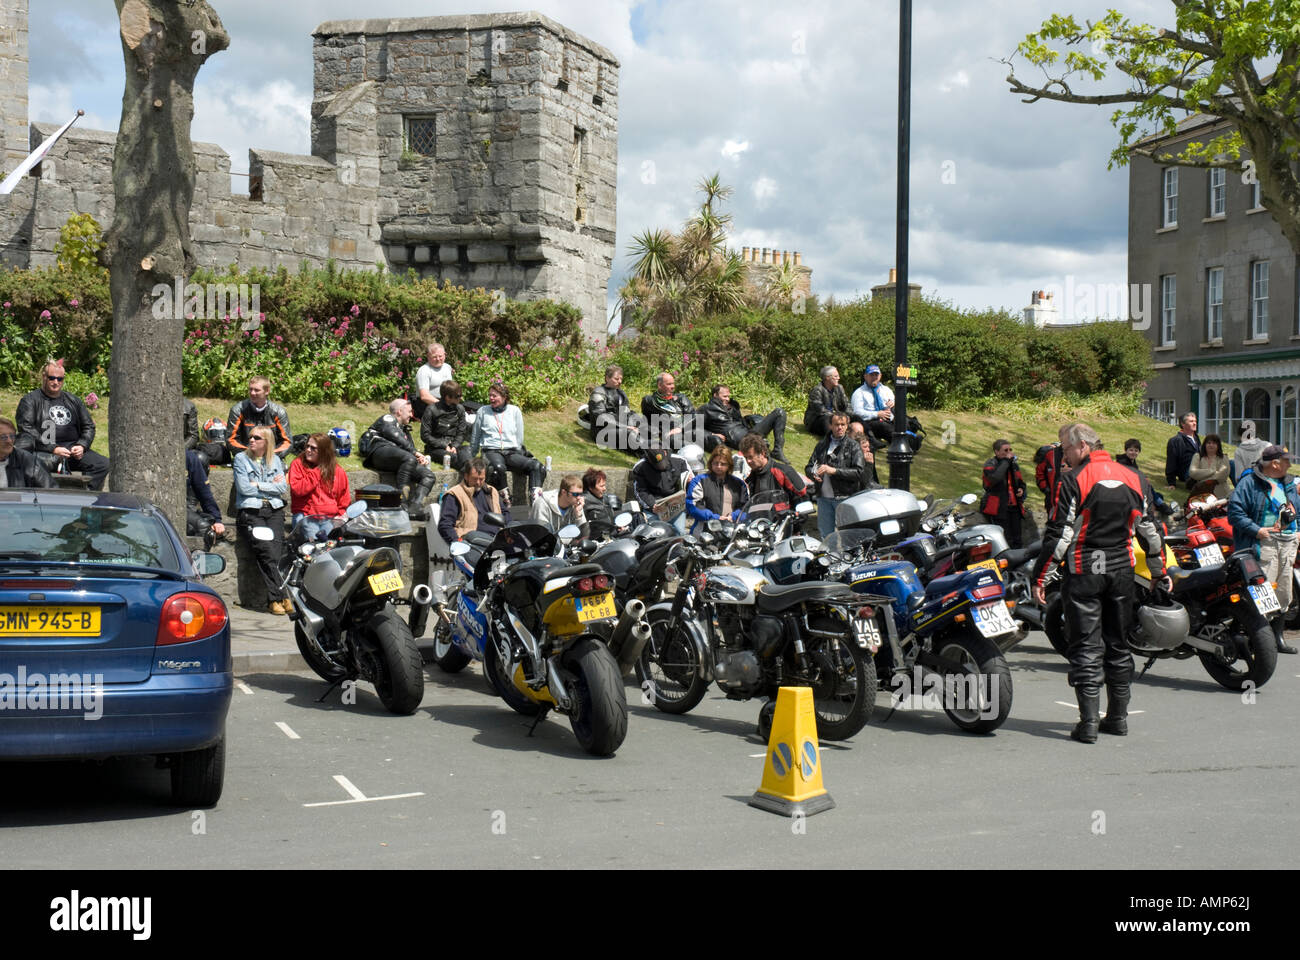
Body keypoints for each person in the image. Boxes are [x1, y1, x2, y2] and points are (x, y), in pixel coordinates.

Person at [1033, 423, 1170, 743]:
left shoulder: (1073, 479)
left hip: (1083, 573)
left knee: (1085, 646)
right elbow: (1151, 531)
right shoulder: (1135, 478)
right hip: (1122, 572)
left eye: (1066, 449)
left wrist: (1041, 576)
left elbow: (1060, 534)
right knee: (1118, 644)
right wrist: (1158, 572)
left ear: (1082, 446)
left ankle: (1089, 723)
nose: (1063, 457)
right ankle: (1118, 719)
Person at [1227, 444, 1299, 655]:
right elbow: (1235, 513)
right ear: (1275, 464)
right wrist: (1257, 530)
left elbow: (1297, 509)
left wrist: (1298, 531)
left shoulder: (1288, 483)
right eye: (1286, 460)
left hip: (1287, 543)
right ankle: (1257, 640)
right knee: (1262, 593)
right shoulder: (1249, 482)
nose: (1290, 464)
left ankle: (1277, 638)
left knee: (1284, 592)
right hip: (1263, 542)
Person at [232, 426, 291, 615]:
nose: (251, 440)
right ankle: (279, 597)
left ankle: (277, 598)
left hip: (274, 510)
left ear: (267, 442)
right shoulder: (241, 459)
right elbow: (244, 489)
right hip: (252, 511)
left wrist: (257, 484)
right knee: (266, 551)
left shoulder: (275, 460)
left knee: (275, 553)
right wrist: (268, 486)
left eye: (257, 438)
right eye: (250, 437)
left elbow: (281, 487)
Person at [360, 398, 437, 519]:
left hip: (401, 459)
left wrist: (418, 458)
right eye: (410, 411)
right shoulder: (387, 419)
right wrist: (415, 453)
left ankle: (415, 506)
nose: (412, 415)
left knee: (429, 476)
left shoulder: (405, 430)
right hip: (379, 452)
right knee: (409, 458)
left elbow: (409, 449)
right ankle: (402, 503)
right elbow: (393, 434)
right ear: (400, 411)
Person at [470, 381, 546, 501]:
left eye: (494, 396)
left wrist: (518, 452)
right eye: (490, 395)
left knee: (537, 466)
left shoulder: (514, 411)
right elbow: (475, 436)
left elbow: (519, 437)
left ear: (504, 397)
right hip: (491, 451)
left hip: (511, 452)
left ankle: (536, 503)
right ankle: (506, 502)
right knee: (498, 468)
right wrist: (472, 456)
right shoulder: (482, 411)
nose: (491, 398)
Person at [806, 411, 866, 537]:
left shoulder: (853, 446)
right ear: (830, 426)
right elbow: (809, 466)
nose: (840, 427)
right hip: (823, 498)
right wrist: (814, 473)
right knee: (825, 535)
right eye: (836, 424)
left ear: (847, 426)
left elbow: (859, 472)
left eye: (843, 424)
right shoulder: (822, 445)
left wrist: (834, 471)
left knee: (847, 534)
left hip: (844, 497)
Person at [289, 432, 352, 542]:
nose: (308, 450)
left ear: (324, 451)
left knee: (329, 546)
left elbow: (343, 498)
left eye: (313, 448)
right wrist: (318, 471)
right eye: (307, 446)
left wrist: (340, 518)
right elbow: (298, 490)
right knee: (315, 548)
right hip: (306, 516)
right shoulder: (297, 464)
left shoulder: (338, 471)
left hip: (329, 518)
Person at [701, 384, 788, 462]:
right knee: (778, 412)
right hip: (742, 440)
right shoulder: (707, 408)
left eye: (728, 396)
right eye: (724, 396)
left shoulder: (732, 407)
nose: (728, 399)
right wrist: (712, 434)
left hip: (748, 433)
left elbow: (741, 422)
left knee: (779, 412)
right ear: (715, 395)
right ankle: (762, 445)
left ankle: (777, 450)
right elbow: (690, 428)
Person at [437, 458, 504, 544]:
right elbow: (445, 525)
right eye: (474, 479)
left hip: (496, 538)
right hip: (472, 542)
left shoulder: (491, 492)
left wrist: (510, 531)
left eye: (481, 479)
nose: (478, 483)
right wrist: (457, 543)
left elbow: (505, 514)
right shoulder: (454, 494)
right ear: (466, 476)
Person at [686, 445, 749, 531]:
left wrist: (732, 517)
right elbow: (693, 506)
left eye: (723, 464)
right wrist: (715, 518)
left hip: (731, 531)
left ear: (729, 465)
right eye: (715, 463)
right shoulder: (699, 481)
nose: (719, 466)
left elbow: (745, 508)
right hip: (704, 531)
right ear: (711, 463)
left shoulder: (739, 484)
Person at [227, 376, 292, 459]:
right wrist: (250, 455)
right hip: (245, 458)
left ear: (267, 391)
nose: (252, 393)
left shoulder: (278, 412)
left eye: (256, 390)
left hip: (272, 458)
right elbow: (231, 440)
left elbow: (287, 442)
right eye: (250, 389)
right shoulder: (238, 410)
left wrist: (269, 456)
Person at [981, 439, 1028, 549]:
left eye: (1010, 449)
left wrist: (1021, 489)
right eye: (1005, 450)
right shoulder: (991, 463)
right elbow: (994, 478)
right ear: (996, 452)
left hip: (1015, 506)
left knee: (1017, 538)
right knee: (1005, 539)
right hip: (999, 507)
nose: (1009, 452)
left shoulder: (1013, 465)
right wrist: (1006, 462)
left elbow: (1021, 482)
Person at [738, 433, 807, 508]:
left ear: (762, 453)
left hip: (784, 518)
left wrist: (793, 516)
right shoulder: (750, 478)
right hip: (759, 518)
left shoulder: (784, 472)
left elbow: (802, 497)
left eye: (751, 457)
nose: (748, 461)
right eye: (746, 458)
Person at [631, 448, 691, 531]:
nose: (661, 467)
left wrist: (689, 481)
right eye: (657, 464)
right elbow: (640, 490)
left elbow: (692, 483)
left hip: (676, 506)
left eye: (663, 463)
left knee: (679, 532)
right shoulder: (640, 467)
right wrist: (652, 505)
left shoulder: (680, 461)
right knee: (655, 533)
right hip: (654, 507)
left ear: (665, 452)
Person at [588, 364, 643, 452]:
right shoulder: (598, 392)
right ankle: (652, 457)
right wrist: (626, 427)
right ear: (607, 378)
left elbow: (626, 413)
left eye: (621, 379)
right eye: (616, 379)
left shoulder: (621, 394)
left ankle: (661, 452)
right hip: (602, 432)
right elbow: (600, 417)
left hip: (620, 428)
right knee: (630, 434)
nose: (620, 381)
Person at [420, 378, 471, 471]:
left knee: (468, 451)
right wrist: (444, 445)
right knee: (454, 459)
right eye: (458, 396)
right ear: (448, 397)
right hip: (435, 448)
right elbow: (425, 435)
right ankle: (469, 476)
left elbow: (461, 432)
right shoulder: (431, 410)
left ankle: (471, 475)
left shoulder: (460, 409)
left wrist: (455, 445)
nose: (461, 398)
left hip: (454, 446)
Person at [641, 372, 698, 451]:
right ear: (659, 385)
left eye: (673, 384)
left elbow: (693, 416)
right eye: (669, 384)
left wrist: (680, 428)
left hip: (687, 429)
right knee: (674, 440)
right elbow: (647, 420)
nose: (673, 387)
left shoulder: (681, 398)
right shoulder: (650, 401)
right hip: (670, 435)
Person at [185, 448, 227, 548]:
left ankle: (200, 561)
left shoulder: (189, 457)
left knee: (206, 525)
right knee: (200, 526)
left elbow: (204, 492)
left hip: (184, 506)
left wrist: (217, 519)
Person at [0, 416, 53, 488]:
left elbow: (50, 491)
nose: (9, 441)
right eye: (3, 437)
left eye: (12, 436)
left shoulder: (29, 461)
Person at [850, 364, 895, 447]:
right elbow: (857, 412)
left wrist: (893, 403)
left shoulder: (886, 390)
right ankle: (905, 442)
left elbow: (893, 403)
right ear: (865, 376)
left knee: (903, 421)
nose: (874, 377)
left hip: (889, 419)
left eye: (876, 375)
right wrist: (877, 414)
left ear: (880, 376)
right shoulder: (859, 393)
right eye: (871, 375)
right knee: (884, 426)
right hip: (871, 422)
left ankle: (909, 439)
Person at [803, 365, 851, 437]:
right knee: (827, 420)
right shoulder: (817, 390)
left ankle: (867, 442)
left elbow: (847, 405)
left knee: (856, 418)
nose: (839, 378)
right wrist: (836, 417)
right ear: (827, 377)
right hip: (816, 420)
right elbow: (820, 410)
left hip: (837, 417)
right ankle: (832, 441)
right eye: (836, 376)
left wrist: (847, 415)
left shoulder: (839, 388)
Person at [412, 342, 455, 420]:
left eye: (440, 356)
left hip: (446, 401)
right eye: (434, 357)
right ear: (428, 356)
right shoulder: (424, 371)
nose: (438, 359)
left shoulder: (447, 367)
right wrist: (444, 406)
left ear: (445, 354)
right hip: (427, 404)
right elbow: (424, 396)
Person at [1034, 424, 1071, 514]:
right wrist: (1047, 490)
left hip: (1072, 499)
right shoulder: (1050, 454)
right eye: (1063, 435)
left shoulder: (1078, 454)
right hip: (1052, 500)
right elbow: (1040, 474)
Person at [1164, 412, 1200, 490]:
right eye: (1191, 421)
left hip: (1202, 466)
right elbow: (1171, 462)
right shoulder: (1175, 441)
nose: (1194, 423)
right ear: (1183, 424)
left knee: (1230, 463)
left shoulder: (1196, 438)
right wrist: (1172, 483)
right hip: (1188, 471)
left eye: (1195, 421)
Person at [1188, 434, 1231, 499]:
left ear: (1218, 446)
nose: (1211, 445)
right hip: (1201, 494)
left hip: (1222, 495)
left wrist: (1202, 476)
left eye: (1214, 443)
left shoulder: (1224, 458)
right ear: (1204, 445)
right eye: (1208, 443)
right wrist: (1212, 471)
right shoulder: (1197, 456)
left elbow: (1222, 477)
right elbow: (1192, 473)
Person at [580, 468, 616, 532]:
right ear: (590, 487)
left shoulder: (604, 498)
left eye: (604, 485)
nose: (604, 488)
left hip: (612, 534)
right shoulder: (583, 502)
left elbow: (611, 518)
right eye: (601, 486)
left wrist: (617, 527)